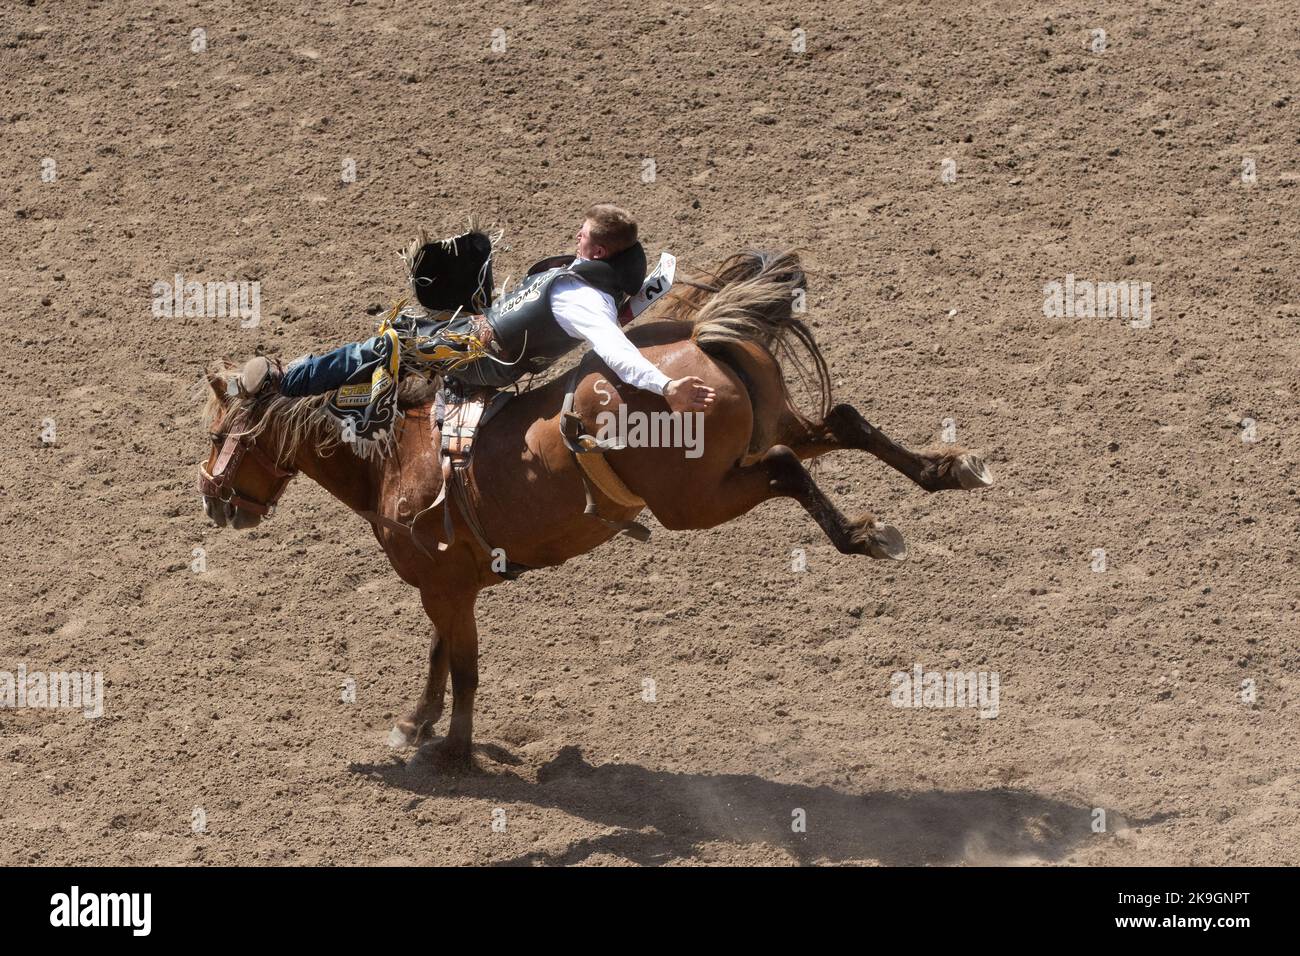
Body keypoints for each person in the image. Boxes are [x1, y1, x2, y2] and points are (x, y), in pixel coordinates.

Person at [241, 204, 715, 413]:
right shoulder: (593, 278)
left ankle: (288, 384)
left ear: (598, 253)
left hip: (481, 359)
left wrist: (667, 384)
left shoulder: (582, 298)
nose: (576, 237)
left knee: (389, 345)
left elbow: (617, 351)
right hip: (485, 335)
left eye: (583, 236)